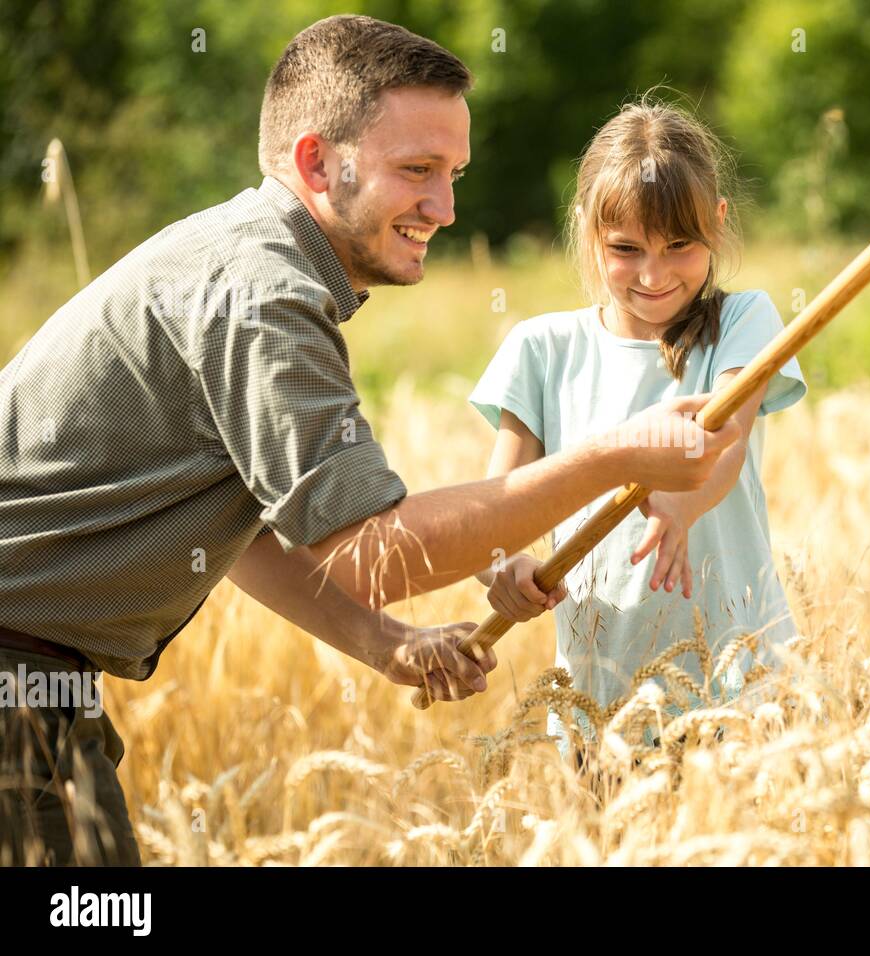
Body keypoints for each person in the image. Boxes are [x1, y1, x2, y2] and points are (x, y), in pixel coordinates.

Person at [0, 17, 740, 866]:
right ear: (318, 162)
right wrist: (613, 458)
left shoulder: (244, 258)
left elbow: (232, 530)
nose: (446, 207)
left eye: (453, 174)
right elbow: (374, 552)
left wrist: (381, 642)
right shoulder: (264, 297)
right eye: (417, 171)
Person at [468, 96, 806, 756]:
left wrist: (682, 503)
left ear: (718, 223)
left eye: (680, 246)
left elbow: (725, 439)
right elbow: (495, 509)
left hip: (741, 688)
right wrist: (500, 568)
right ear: (586, 233)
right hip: (603, 705)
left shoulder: (744, 322)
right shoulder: (539, 349)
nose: (654, 275)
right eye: (626, 249)